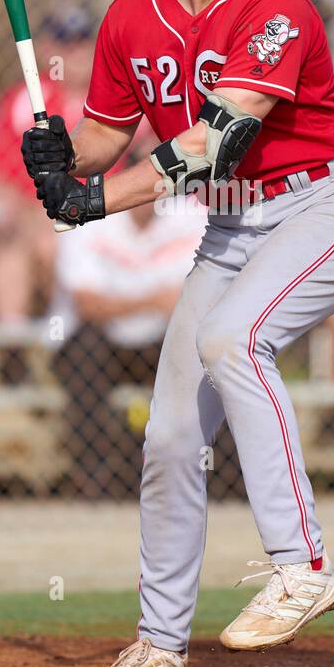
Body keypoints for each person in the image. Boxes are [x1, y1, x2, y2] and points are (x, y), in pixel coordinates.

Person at [21, 0, 334, 667]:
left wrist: (95, 201)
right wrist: (59, 160)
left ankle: (301, 565)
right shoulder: (128, 17)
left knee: (236, 338)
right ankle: (158, 646)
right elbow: (109, 140)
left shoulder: (278, 5)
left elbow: (215, 141)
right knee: (170, 440)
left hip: (327, 205)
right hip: (232, 229)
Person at [51, 178, 207, 495]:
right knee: (85, 351)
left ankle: (206, 474)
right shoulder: (84, 213)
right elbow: (88, 304)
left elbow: (197, 297)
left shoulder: (189, 215)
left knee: (202, 347)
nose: (147, 193)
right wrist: (152, 301)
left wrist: (128, 303)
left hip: (160, 340)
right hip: (102, 344)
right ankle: (93, 479)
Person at [0, 3, 96, 320]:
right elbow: (0, 175)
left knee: (50, 241)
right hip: (35, 216)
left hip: (104, 214)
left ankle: (73, 338)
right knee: (10, 256)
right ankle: (15, 356)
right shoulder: (24, 101)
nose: (74, 52)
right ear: (47, 49)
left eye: (82, 42)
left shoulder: (114, 96)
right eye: (65, 43)